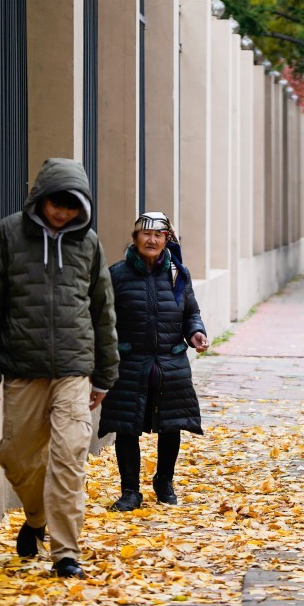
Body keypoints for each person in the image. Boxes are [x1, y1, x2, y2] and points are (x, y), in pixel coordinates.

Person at [0, 158, 119, 579]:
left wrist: (105, 374)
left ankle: (65, 553)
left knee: (69, 456)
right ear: (40, 198)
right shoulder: (9, 233)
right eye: (57, 204)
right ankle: (35, 518)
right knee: (16, 456)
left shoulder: (88, 243)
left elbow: (103, 309)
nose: (63, 213)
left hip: (74, 369)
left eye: (72, 207)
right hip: (23, 367)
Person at [99, 212, 209, 511]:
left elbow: (191, 312)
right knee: (126, 427)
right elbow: (102, 319)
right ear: (135, 238)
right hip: (130, 362)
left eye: (158, 235)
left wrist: (196, 332)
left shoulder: (178, 273)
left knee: (172, 424)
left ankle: (164, 480)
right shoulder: (116, 275)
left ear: (166, 239)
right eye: (145, 234)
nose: (151, 240)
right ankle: (130, 491)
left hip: (170, 362)